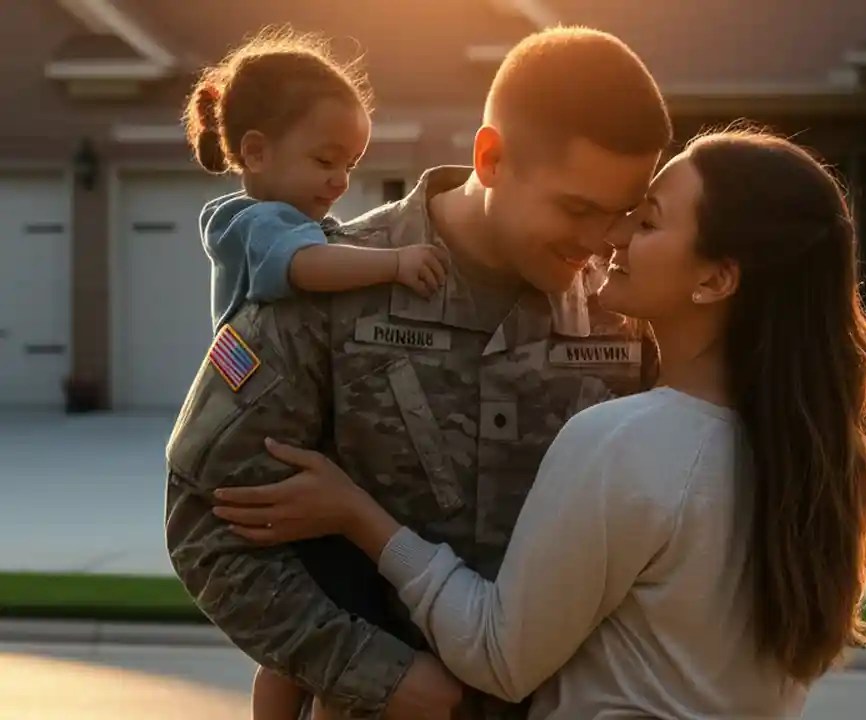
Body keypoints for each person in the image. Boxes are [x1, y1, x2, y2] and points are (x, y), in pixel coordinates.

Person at [213, 128, 866, 719]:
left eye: (650, 220)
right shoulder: (808, 453)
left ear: (716, 280)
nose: (615, 234)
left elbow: (496, 655)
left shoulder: (626, 442)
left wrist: (356, 514)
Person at [164, 26, 671, 720]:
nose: (595, 243)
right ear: (490, 158)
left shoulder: (630, 312)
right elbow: (207, 520)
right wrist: (379, 674)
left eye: (619, 214)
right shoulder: (328, 286)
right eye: (576, 208)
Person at [179, 28, 448, 720]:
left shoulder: (282, 217)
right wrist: (392, 262)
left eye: (351, 165)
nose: (340, 181)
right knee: (328, 618)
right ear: (258, 151)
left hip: (278, 429)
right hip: (260, 436)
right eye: (326, 160)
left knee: (315, 627)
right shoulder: (261, 225)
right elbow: (307, 269)